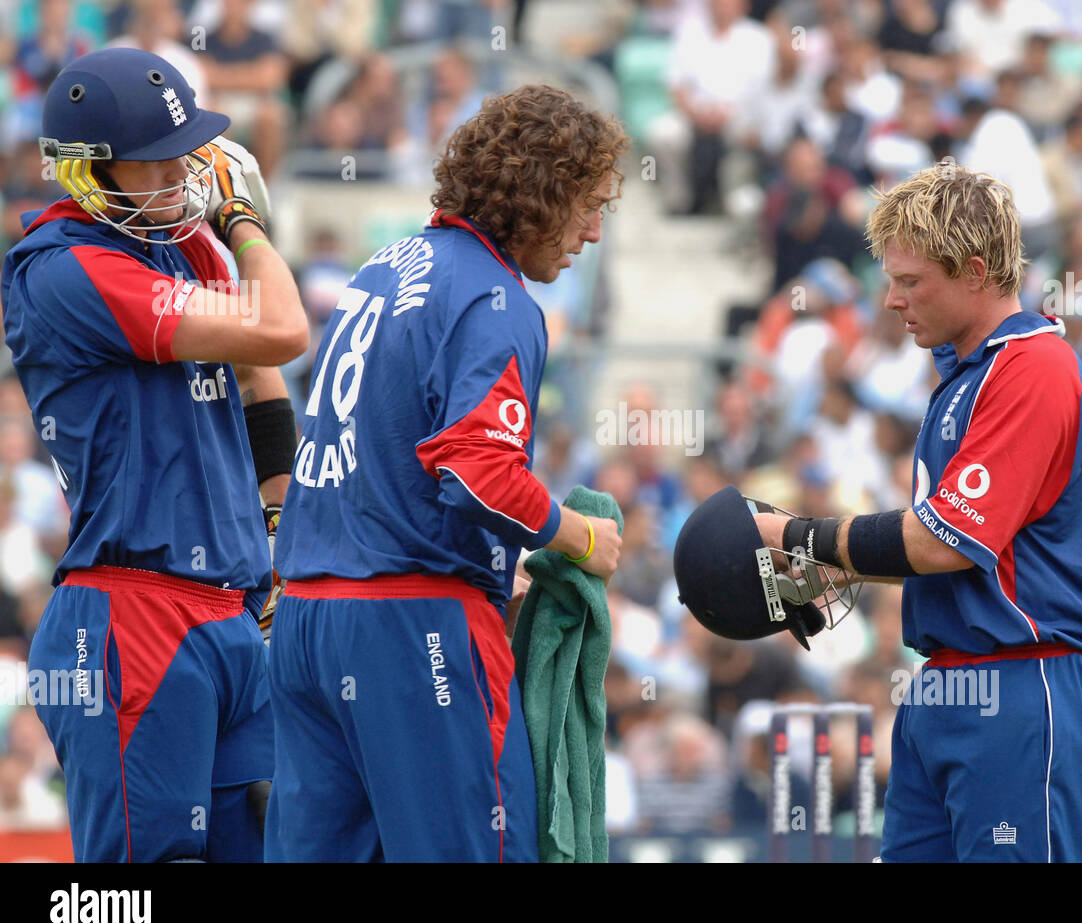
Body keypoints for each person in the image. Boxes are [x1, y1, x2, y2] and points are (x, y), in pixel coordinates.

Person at [265, 85, 627, 862]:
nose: (593, 231)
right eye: (587, 204)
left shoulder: (384, 266)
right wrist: (577, 537)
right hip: (414, 626)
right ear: (541, 192)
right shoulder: (496, 297)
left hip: (306, 621)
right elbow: (475, 467)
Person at [752, 162, 1082, 861]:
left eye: (909, 281)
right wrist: (828, 571)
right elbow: (952, 554)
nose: (890, 300)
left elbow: (943, 543)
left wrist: (798, 538)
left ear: (975, 272)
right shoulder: (966, 374)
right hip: (949, 680)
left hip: (1024, 681)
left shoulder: (1031, 366)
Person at [0, 47, 307, 861]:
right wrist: (245, 224)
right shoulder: (64, 267)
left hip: (228, 609)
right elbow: (282, 324)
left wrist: (278, 515)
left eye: (185, 159)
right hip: (132, 608)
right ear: (90, 173)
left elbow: (259, 370)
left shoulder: (177, 241)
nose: (182, 178)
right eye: (158, 165)